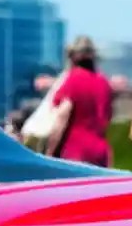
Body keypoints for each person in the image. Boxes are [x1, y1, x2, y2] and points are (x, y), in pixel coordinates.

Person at [46, 36, 112, 167]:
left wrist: (49, 153)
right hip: (100, 152)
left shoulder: (72, 80)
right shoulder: (104, 83)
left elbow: (62, 117)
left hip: (75, 152)